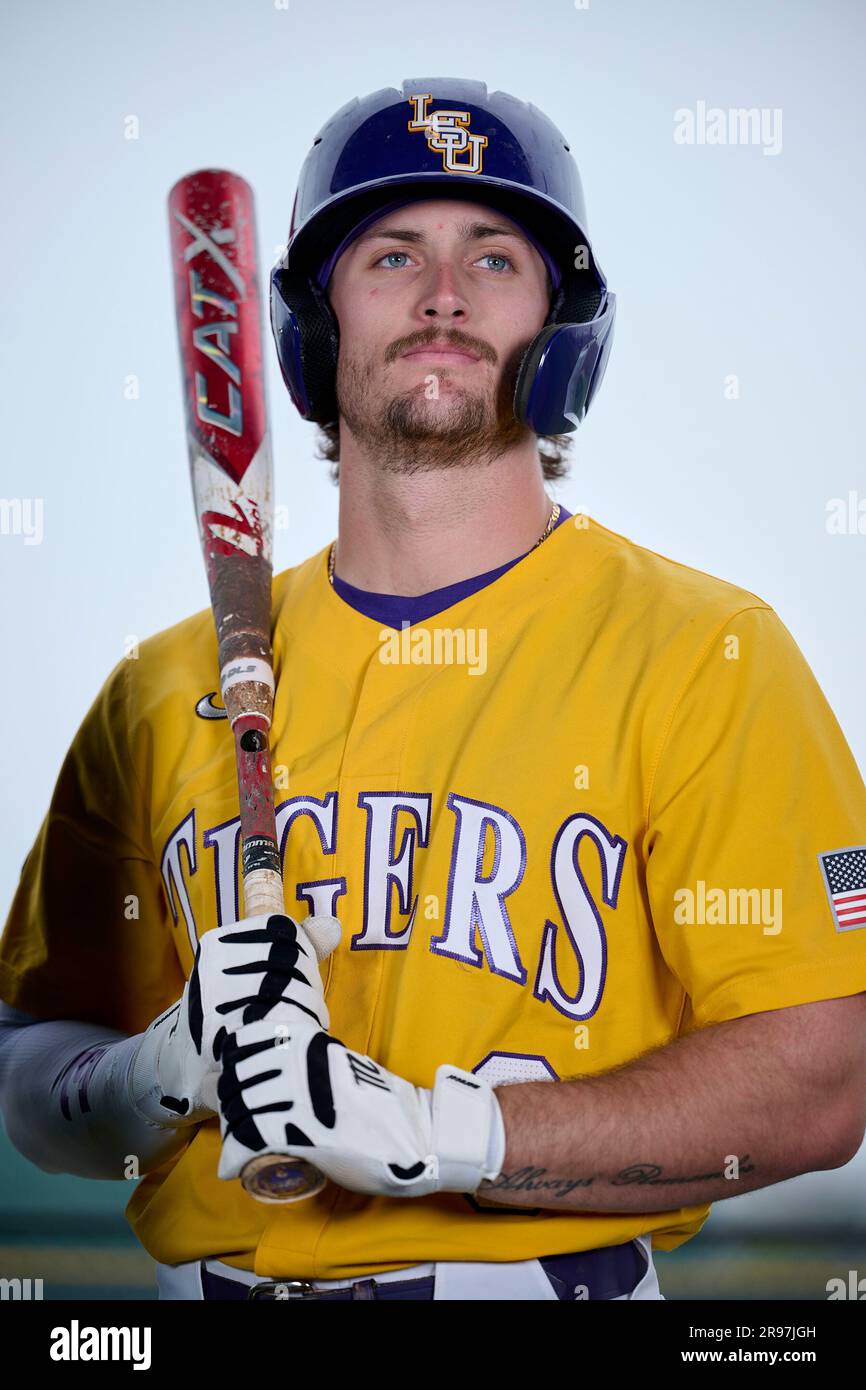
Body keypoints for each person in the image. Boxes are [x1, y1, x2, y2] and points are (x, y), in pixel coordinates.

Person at [1, 78, 865, 1303]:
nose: (442, 292)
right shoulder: (158, 689)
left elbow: (823, 1076)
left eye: (494, 258)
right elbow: (30, 1069)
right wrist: (156, 1070)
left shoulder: (704, 650)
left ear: (562, 328)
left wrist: (443, 1135)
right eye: (392, 253)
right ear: (313, 326)